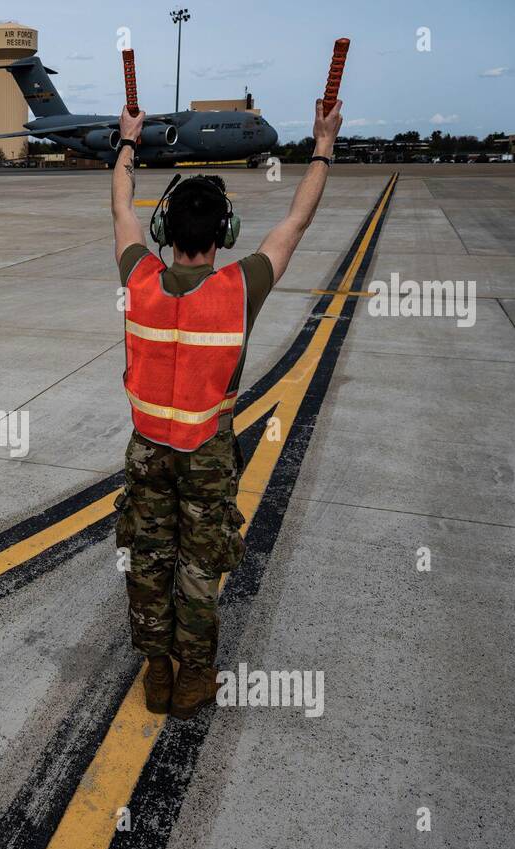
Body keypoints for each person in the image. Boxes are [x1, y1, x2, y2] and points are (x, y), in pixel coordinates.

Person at [110, 96, 343, 719]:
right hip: (208, 454)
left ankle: (156, 671)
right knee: (199, 564)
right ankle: (193, 678)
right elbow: (297, 221)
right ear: (225, 235)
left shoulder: (137, 278)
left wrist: (129, 142)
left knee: (149, 557)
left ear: (165, 233)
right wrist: (322, 144)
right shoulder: (240, 287)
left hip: (147, 450)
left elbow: (120, 211)